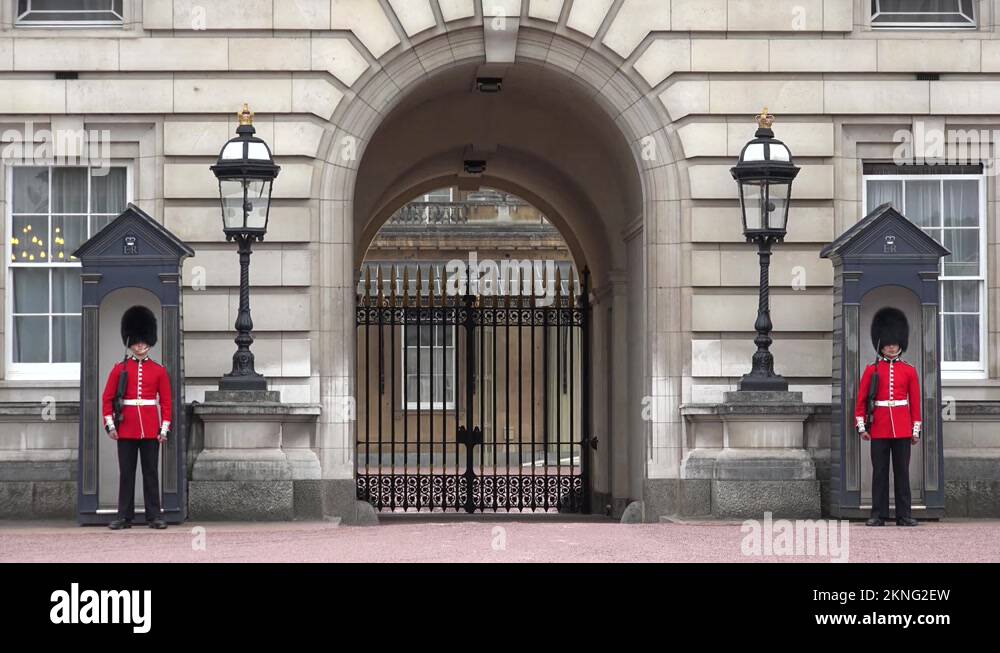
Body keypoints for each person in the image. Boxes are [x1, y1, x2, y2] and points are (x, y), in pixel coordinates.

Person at [102, 306, 172, 530]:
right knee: (127, 474)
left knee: (151, 472)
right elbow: (107, 398)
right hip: (126, 427)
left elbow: (166, 402)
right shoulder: (119, 369)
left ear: (149, 340)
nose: (140, 345)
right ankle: (124, 516)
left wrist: (164, 428)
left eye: (143, 340)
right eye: (136, 341)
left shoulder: (159, 370)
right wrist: (111, 425)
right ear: (130, 341)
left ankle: (154, 515)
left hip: (150, 428)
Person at [855, 307, 921, 527]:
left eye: (894, 342)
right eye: (888, 343)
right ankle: (878, 514)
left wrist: (915, 430)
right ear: (881, 344)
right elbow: (862, 400)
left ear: (901, 343)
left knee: (902, 473)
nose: (891, 346)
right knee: (880, 473)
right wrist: (862, 426)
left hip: (902, 427)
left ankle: (904, 515)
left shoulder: (909, 370)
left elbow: (916, 402)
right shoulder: (871, 370)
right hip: (880, 427)